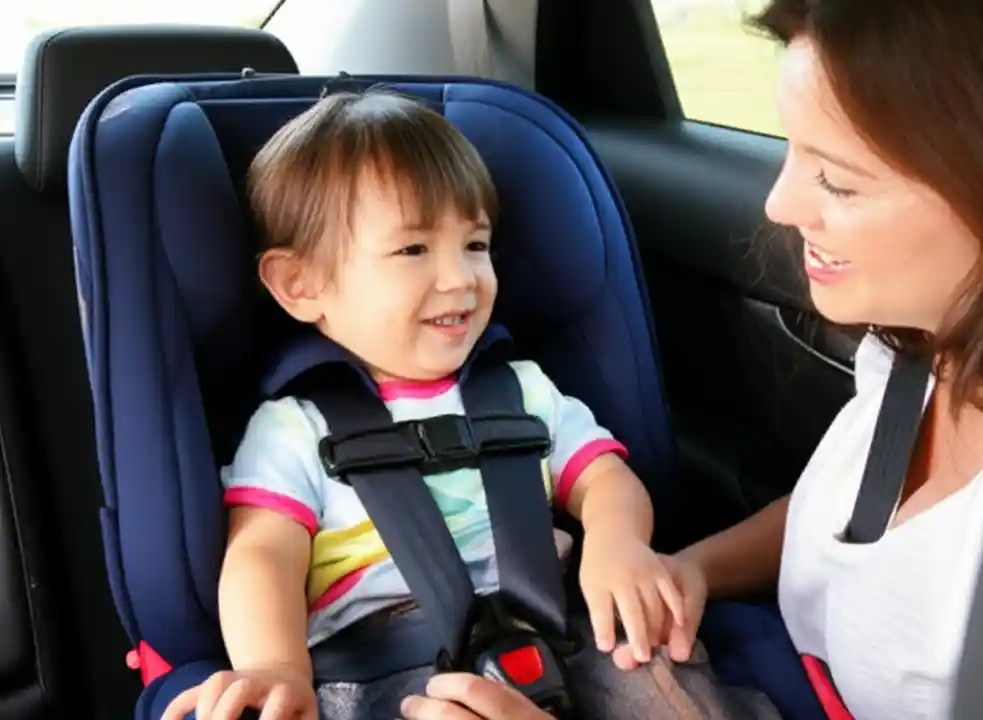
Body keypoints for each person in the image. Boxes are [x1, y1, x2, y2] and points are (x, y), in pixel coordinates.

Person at [398, 0, 983, 718]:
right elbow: (840, 524)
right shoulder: (917, 352)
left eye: (837, 181)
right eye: (796, 155)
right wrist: (693, 570)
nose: (780, 205)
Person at [159, 90, 689, 720]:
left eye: (475, 244)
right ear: (301, 285)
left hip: (563, 641)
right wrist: (275, 665)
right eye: (414, 250)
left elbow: (604, 478)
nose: (462, 278)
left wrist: (616, 539)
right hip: (382, 672)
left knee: (668, 676)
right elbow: (262, 554)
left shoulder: (524, 390)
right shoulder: (295, 430)